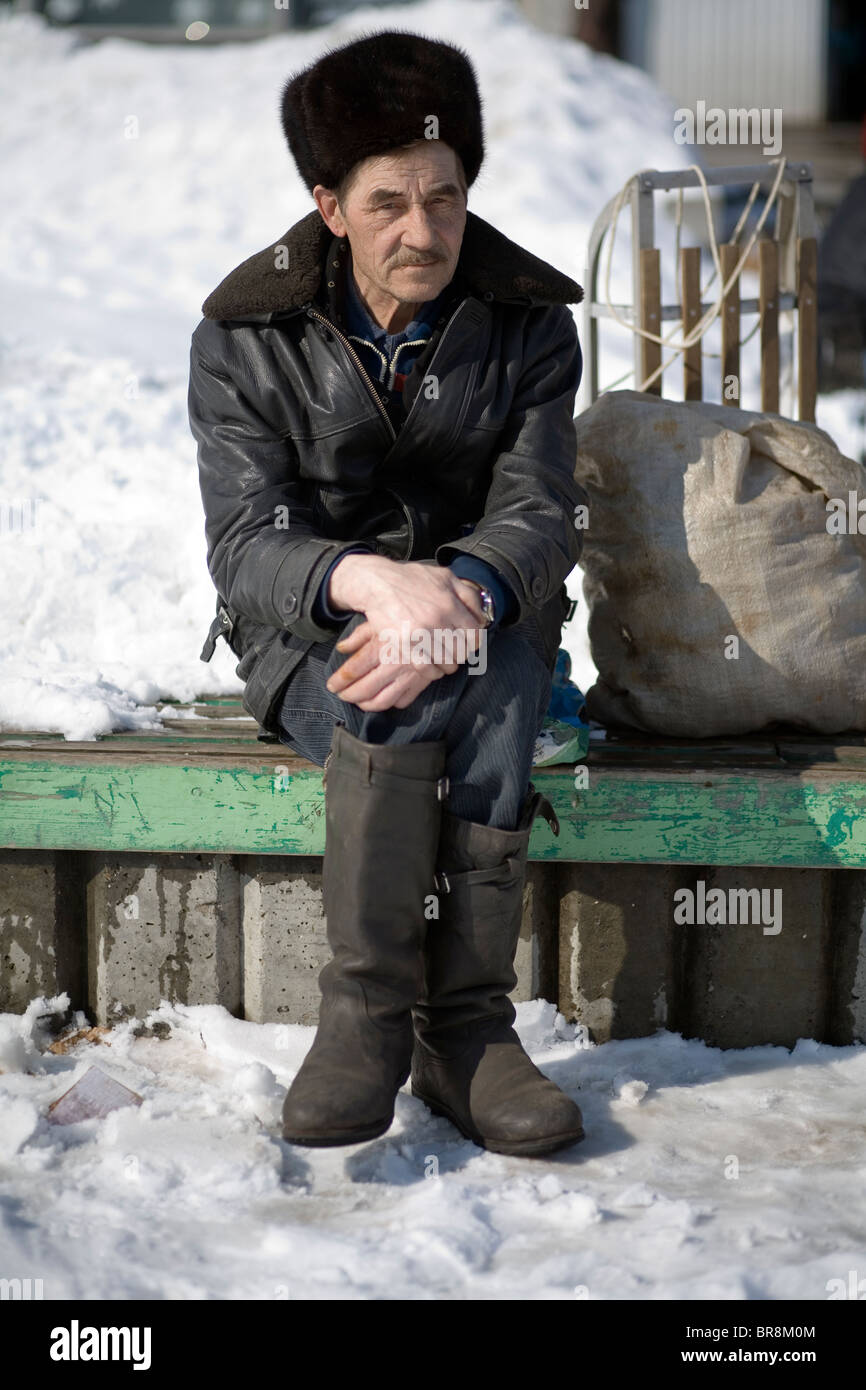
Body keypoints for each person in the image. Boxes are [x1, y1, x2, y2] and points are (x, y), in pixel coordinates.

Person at [188, 30, 588, 1157]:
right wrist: (367, 582)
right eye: (388, 204)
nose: (424, 231)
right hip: (312, 635)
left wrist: (455, 592)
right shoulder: (242, 338)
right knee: (396, 690)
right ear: (328, 205)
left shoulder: (527, 323)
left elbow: (540, 509)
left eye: (446, 197)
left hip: (486, 618)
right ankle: (376, 1013)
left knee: (487, 682)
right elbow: (244, 544)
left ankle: (462, 1026)